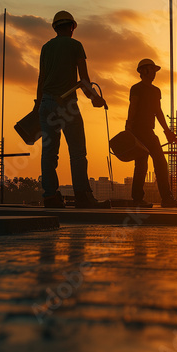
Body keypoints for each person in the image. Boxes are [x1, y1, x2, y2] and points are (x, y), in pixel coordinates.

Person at [37, 10, 111, 209]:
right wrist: (96, 99)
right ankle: (83, 196)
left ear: (55, 27)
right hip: (66, 104)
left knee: (49, 153)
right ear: (71, 27)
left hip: (46, 102)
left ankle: (50, 197)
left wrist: (38, 105)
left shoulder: (46, 47)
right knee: (78, 152)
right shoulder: (75, 45)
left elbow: (41, 78)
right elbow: (84, 80)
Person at [126, 58, 177, 208]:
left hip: (148, 131)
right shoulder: (136, 89)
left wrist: (167, 131)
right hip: (138, 131)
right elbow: (132, 108)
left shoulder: (155, 91)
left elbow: (158, 111)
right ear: (144, 71)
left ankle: (162, 198)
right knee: (143, 165)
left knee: (159, 163)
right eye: (151, 70)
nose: (154, 73)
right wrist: (128, 129)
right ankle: (142, 199)